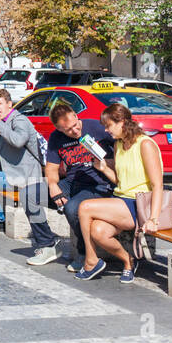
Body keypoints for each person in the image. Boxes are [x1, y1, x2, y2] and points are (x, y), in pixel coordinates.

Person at [74, 102, 167, 283]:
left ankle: (91, 261)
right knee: (98, 231)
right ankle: (128, 261)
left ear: (122, 122)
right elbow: (121, 181)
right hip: (121, 200)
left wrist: (154, 219)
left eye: (109, 125)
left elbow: (157, 185)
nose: (107, 131)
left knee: (85, 207)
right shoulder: (119, 145)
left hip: (138, 204)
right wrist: (103, 169)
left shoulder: (145, 144)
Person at [0, 88, 61, 265]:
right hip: (11, 174)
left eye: (0, 104)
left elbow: (18, 141)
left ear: (10, 104)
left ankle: (0, 221)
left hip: (28, 176)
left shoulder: (19, 120)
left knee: (30, 199)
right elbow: (3, 153)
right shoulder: (3, 122)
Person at [44, 102, 115, 271]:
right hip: (72, 181)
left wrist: (107, 163)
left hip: (98, 183)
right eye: (68, 130)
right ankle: (47, 245)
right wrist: (53, 185)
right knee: (30, 195)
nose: (75, 131)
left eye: (75, 125)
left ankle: (85, 253)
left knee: (72, 208)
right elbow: (51, 167)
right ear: (59, 129)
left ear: (76, 116)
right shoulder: (56, 138)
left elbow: (123, 147)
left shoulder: (96, 127)